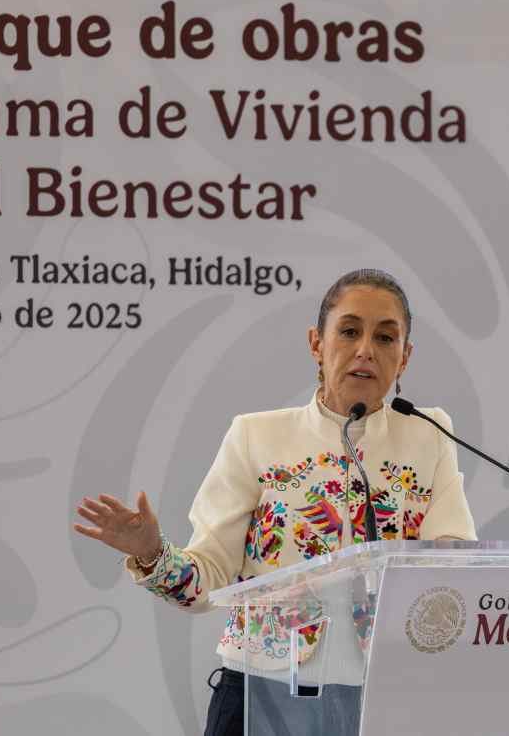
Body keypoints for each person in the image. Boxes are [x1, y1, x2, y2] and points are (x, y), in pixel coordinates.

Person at [73, 269, 477, 735]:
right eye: (349, 331)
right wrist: (150, 553)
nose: (366, 349)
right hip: (262, 695)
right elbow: (208, 582)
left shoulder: (429, 435)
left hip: (385, 698)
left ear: (404, 357)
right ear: (316, 343)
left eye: (385, 338)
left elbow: (452, 567)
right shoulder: (256, 436)